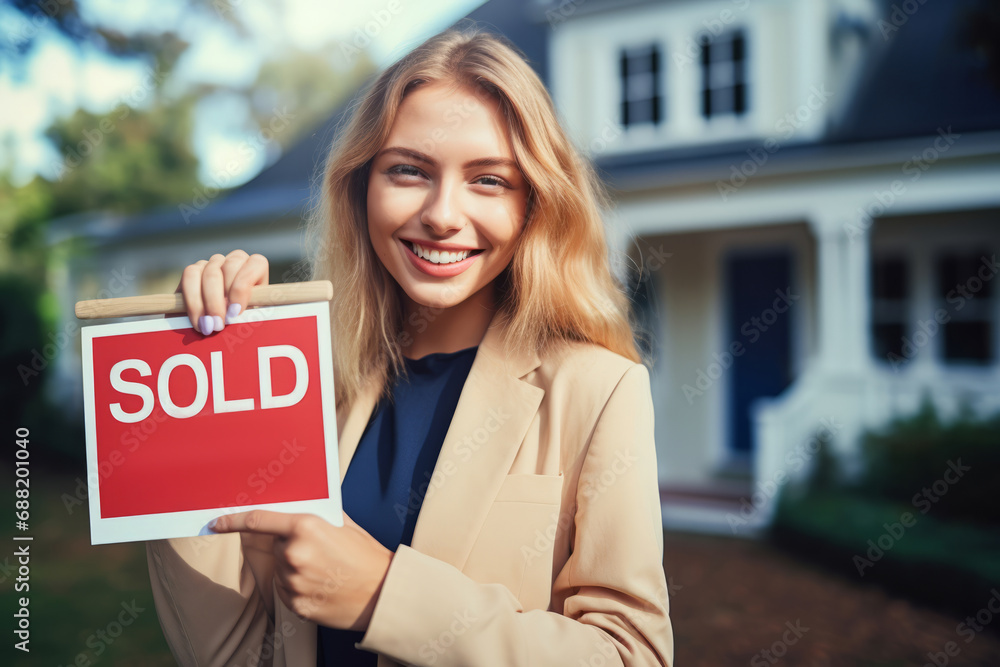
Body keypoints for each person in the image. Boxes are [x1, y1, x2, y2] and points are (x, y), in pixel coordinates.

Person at [145, 23, 674, 667]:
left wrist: (382, 598)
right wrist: (203, 364)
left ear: (534, 205)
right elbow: (232, 655)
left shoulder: (596, 391)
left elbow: (631, 656)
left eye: (489, 180)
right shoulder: (306, 387)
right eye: (409, 171)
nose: (443, 214)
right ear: (360, 188)